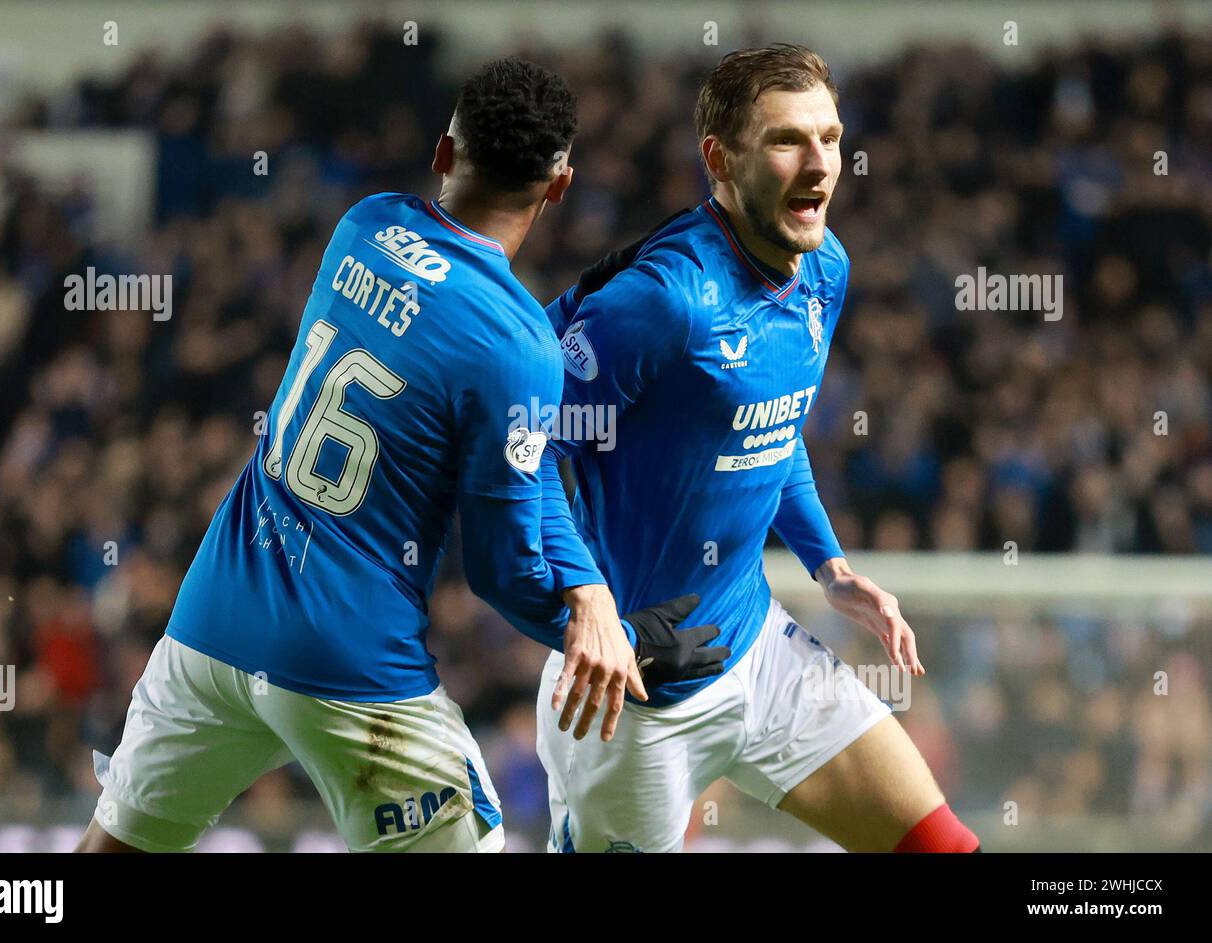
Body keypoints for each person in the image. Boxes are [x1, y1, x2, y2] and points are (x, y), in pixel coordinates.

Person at [76, 57, 723, 854]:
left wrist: (589, 591)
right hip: (350, 664)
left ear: (444, 153)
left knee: (112, 850)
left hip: (215, 617)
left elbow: (513, 451)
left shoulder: (364, 224)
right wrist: (605, 638)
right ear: (559, 187)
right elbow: (501, 569)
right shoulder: (516, 344)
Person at [534, 45, 980, 853]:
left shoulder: (824, 269)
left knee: (941, 846)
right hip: (631, 698)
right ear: (721, 158)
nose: (819, 166)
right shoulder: (663, 303)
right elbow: (519, 449)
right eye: (786, 141)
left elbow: (773, 425)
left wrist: (829, 565)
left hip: (758, 650)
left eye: (831, 137)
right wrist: (588, 605)